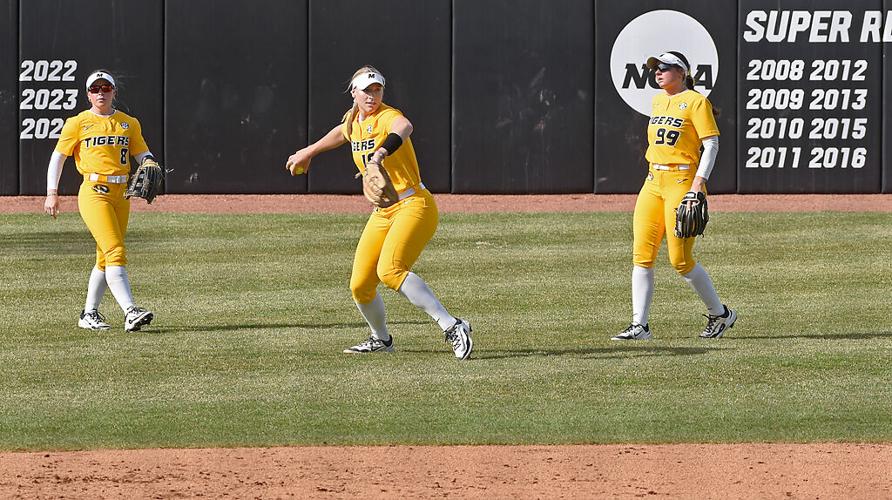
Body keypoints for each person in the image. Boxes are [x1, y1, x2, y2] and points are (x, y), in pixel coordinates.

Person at [285, 65, 473, 360]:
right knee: (360, 285)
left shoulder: (387, 116)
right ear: (354, 93)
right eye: (367, 90)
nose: (372, 96)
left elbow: (405, 127)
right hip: (383, 211)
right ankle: (381, 339)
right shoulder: (354, 120)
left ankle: (453, 326)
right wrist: (309, 151)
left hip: (414, 204)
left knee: (390, 270)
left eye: (377, 89)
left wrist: (380, 154)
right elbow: (342, 133)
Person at [612, 52, 737, 341]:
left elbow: (712, 144)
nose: (657, 72)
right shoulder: (658, 101)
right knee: (642, 254)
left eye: (664, 68)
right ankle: (639, 326)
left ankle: (721, 314)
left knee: (680, 259)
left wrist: (697, 184)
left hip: (682, 182)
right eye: (655, 68)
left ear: (681, 72)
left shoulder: (695, 101)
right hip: (653, 181)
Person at [44, 70, 156, 332]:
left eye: (106, 88)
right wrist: (52, 192)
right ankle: (130, 311)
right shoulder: (78, 123)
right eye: (95, 89)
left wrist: (150, 161)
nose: (101, 93)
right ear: (88, 94)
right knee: (115, 250)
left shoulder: (128, 123)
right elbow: (58, 157)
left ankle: (89, 314)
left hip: (122, 194)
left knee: (105, 257)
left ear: (114, 92)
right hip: (94, 192)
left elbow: (142, 152)